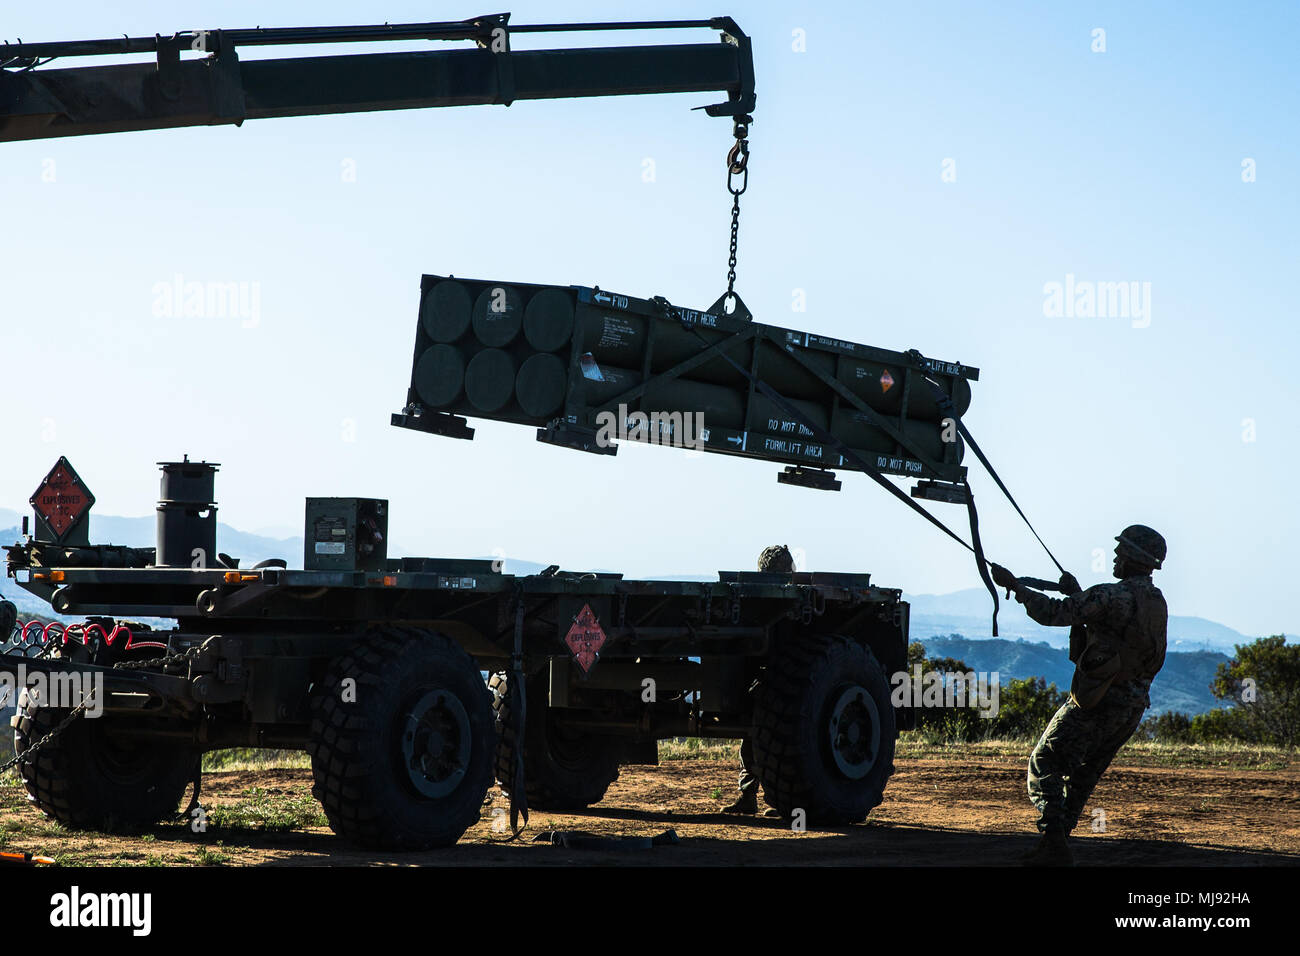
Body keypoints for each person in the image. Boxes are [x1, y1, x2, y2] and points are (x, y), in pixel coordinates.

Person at [990, 525, 1168, 867]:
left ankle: (1054, 839)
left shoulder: (1112, 595)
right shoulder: (1155, 601)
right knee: (1084, 776)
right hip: (1131, 708)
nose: (1115, 557)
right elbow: (1115, 628)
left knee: (1044, 763)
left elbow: (1052, 613)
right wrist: (1080, 595)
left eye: (1121, 551)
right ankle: (1055, 844)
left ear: (1132, 557)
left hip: (1097, 701)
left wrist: (1016, 587)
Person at [720, 544, 795, 815]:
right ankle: (769, 800)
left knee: (755, 743)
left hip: (766, 687)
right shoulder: (792, 599)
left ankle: (750, 795)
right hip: (780, 690)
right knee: (775, 745)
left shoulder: (753, 596)